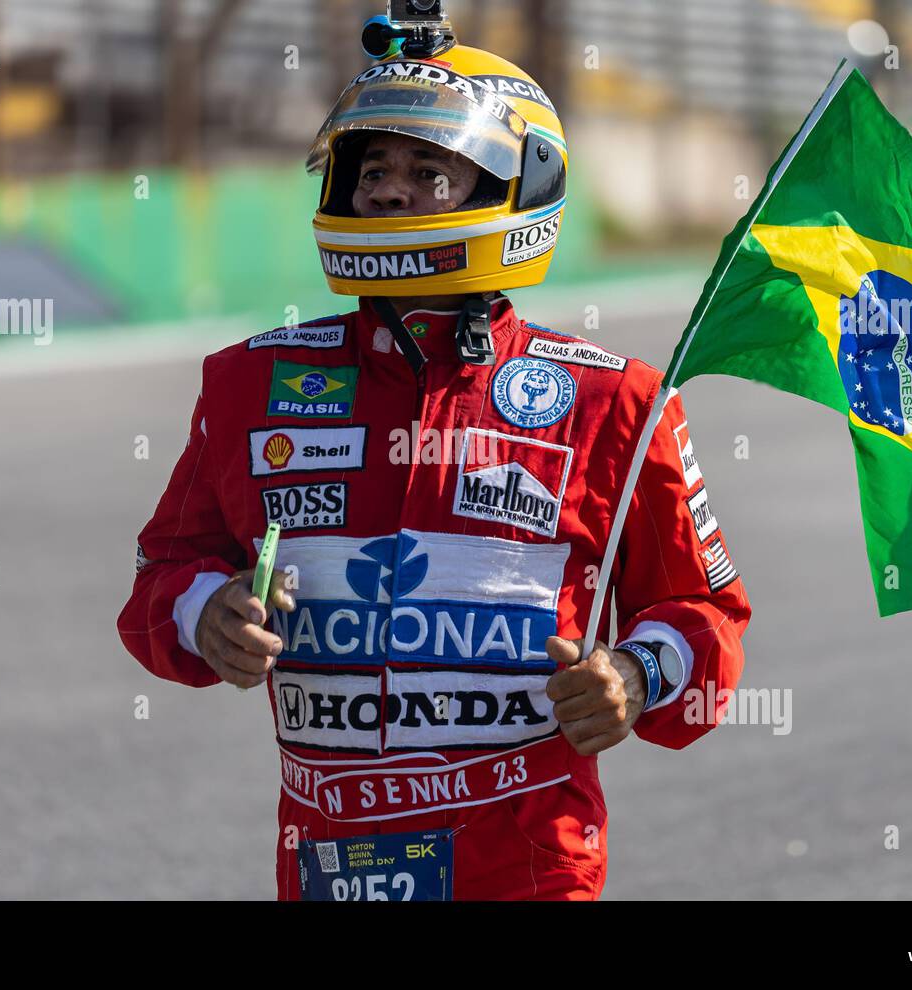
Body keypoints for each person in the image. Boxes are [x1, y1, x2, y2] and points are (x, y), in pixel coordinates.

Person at [117, 34, 749, 901]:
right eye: (374, 168)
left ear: (512, 191)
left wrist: (635, 678)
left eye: (429, 170)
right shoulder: (245, 385)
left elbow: (706, 615)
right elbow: (160, 579)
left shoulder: (618, 403)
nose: (387, 190)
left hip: (528, 864)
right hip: (329, 867)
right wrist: (203, 614)